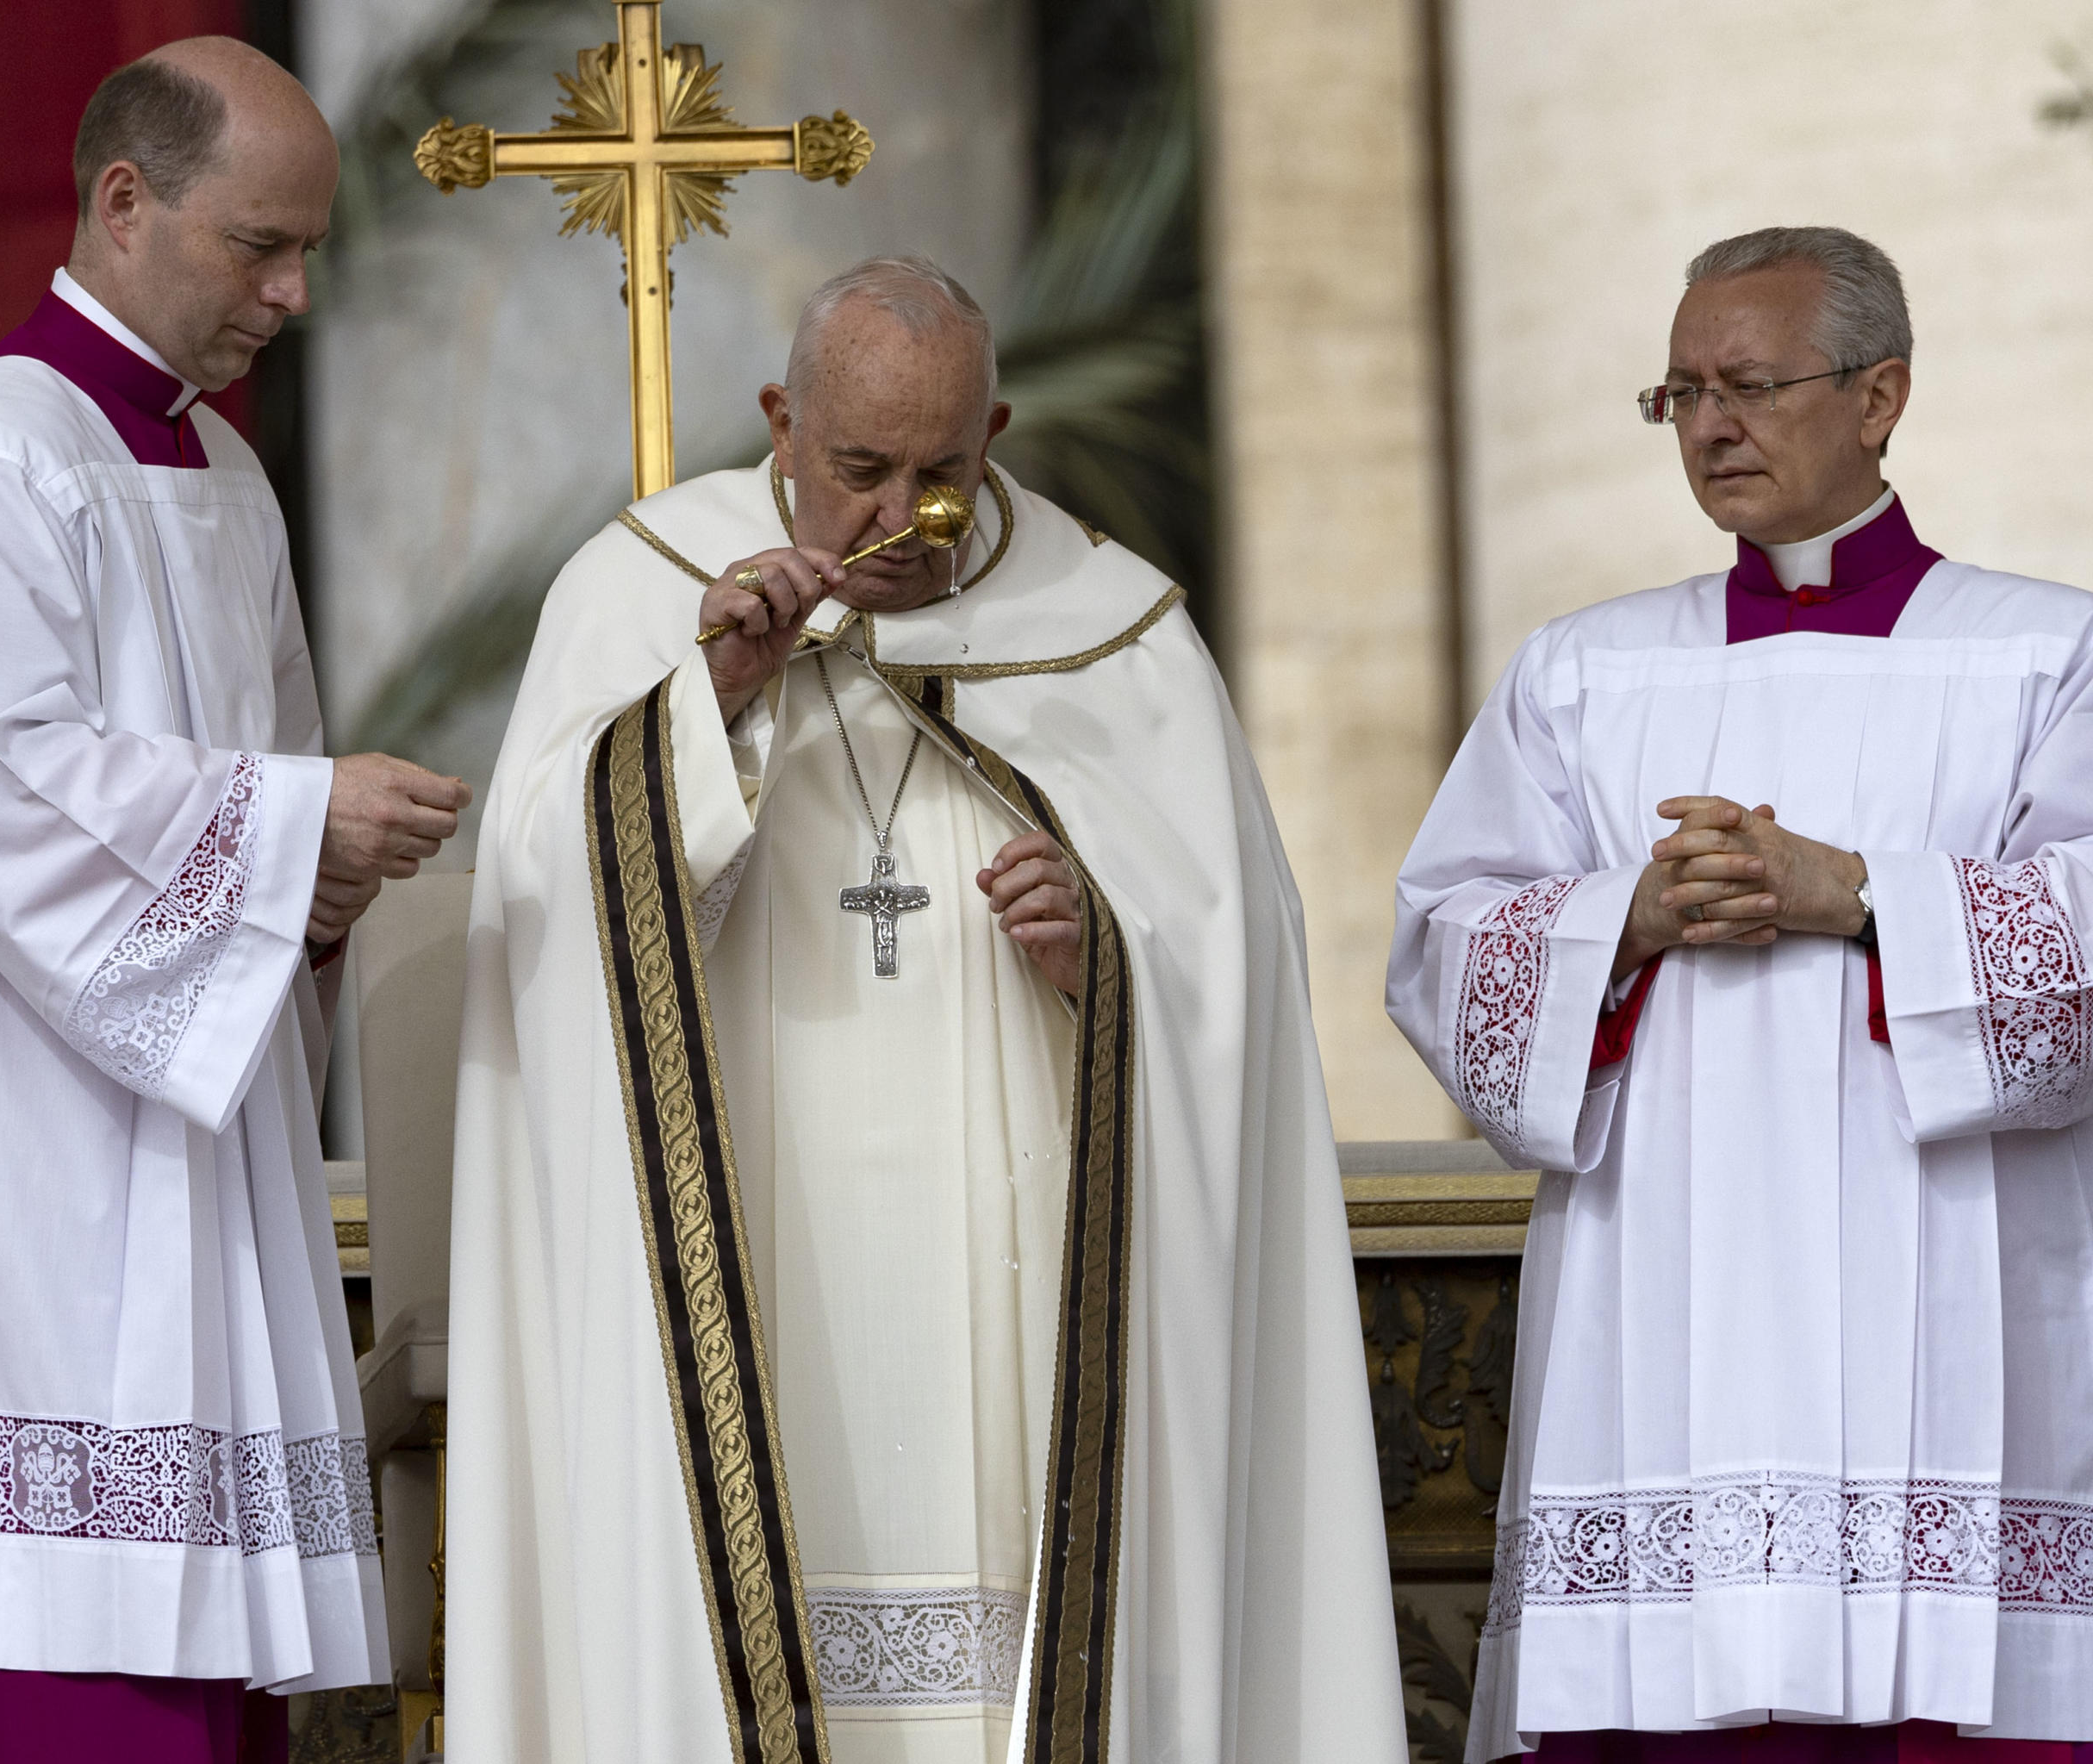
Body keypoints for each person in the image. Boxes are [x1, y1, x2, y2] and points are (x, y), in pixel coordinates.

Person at [444, 256, 1400, 1763]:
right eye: (859, 470)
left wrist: (1112, 950)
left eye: (943, 471)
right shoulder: (636, 591)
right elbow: (541, 913)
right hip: (750, 1253)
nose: (901, 521)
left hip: (1020, 1280)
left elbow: (1245, 969)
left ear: (998, 428)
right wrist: (716, 714)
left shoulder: (1112, 629)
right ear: (780, 420)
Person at [1389, 227, 2093, 1761]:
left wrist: (1864, 898)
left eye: (1753, 385)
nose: (1712, 424)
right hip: (1662, 1315)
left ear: (1879, 394)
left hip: (1941, 1319)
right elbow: (1443, 943)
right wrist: (1619, 923)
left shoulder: (2042, 650)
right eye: (1682, 392)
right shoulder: (1586, 675)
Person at [0, 39, 470, 1761]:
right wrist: (298, 824)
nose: (295, 293)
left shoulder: (227, 485)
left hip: (182, 1186)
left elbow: (270, 787)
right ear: (122, 201)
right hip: (16, 1220)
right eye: (261, 247)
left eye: (309, 251)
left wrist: (319, 881)